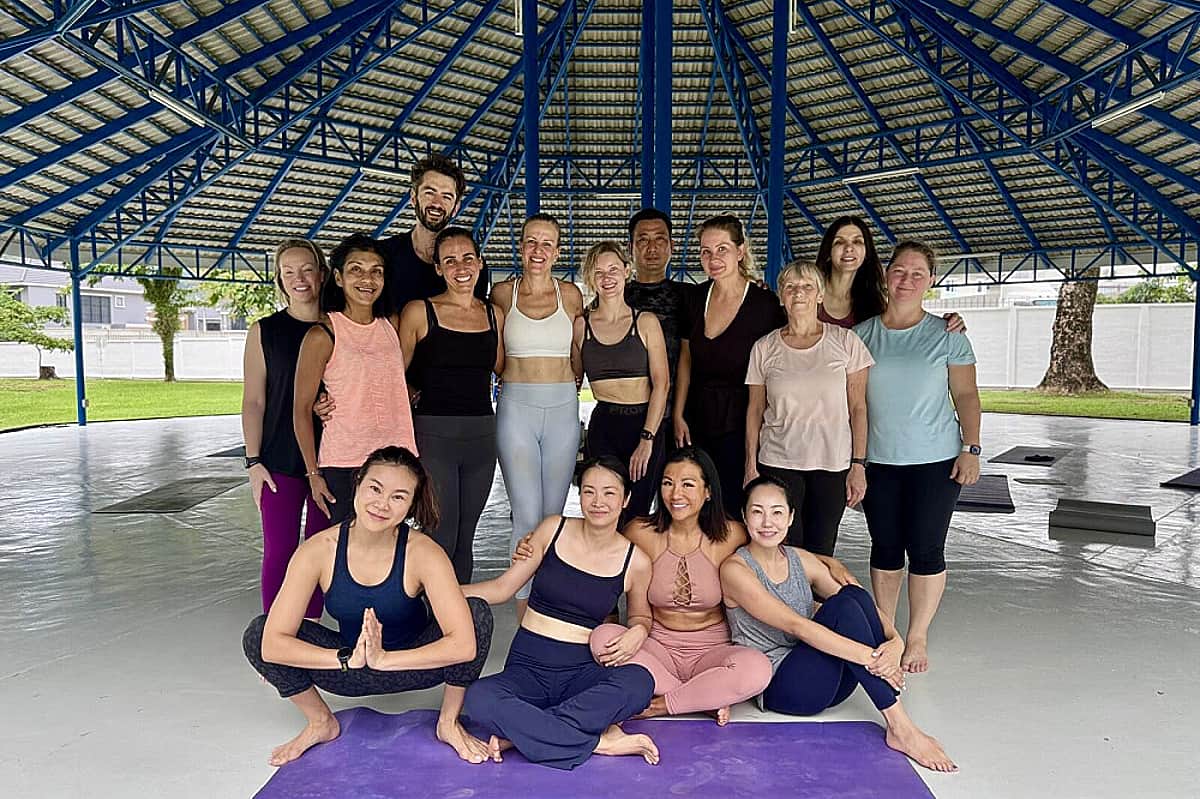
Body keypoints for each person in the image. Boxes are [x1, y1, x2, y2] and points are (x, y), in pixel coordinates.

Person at [515, 447, 856, 724]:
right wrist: (539, 544)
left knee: (757, 668)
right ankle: (702, 699)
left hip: (713, 649)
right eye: (667, 483)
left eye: (688, 484)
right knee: (603, 639)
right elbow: (596, 546)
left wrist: (828, 561)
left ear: (708, 492)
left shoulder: (730, 534)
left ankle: (667, 703)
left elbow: (773, 543)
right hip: (656, 646)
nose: (675, 494)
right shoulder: (640, 532)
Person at [241, 447, 495, 766]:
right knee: (258, 632)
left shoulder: (424, 553)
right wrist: (347, 658)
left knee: (476, 614)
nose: (382, 504)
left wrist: (387, 659)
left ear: (411, 506)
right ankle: (321, 722)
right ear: (358, 483)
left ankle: (448, 722)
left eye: (398, 496)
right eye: (375, 488)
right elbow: (272, 644)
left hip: (413, 666)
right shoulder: (318, 551)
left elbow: (463, 644)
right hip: (350, 667)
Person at [722, 475, 957, 773]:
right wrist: (873, 659)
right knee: (844, 604)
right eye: (757, 511)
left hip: (830, 683)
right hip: (784, 686)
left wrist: (895, 641)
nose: (767, 521)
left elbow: (857, 600)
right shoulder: (736, 570)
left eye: (777, 512)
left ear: (791, 517)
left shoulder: (799, 559)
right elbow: (797, 626)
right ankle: (900, 726)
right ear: (744, 516)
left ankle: (897, 720)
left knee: (852, 595)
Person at [462, 457, 659, 770]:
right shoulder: (553, 529)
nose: (598, 502)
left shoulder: (636, 562)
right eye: (589, 491)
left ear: (626, 500)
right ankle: (598, 741)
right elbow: (501, 588)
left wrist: (638, 631)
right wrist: (440, 591)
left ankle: (524, 735)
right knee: (479, 699)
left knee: (640, 682)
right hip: (527, 667)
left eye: (609, 493)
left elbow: (640, 617)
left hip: (582, 671)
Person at [853, 241, 982, 674]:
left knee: (926, 548)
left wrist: (972, 448)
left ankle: (918, 634)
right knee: (885, 546)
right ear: (886, 275)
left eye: (917, 273)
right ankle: (888, 628)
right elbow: (853, 402)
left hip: (936, 461)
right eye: (899, 271)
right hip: (880, 460)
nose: (906, 280)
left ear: (931, 281)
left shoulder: (947, 335)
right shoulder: (862, 335)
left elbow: (966, 394)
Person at [744, 259, 873, 556]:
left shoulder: (846, 342)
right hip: (779, 461)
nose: (798, 293)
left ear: (820, 295)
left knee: (822, 548)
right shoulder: (764, 347)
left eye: (806, 286)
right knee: (783, 546)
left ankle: (817, 604)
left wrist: (858, 465)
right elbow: (754, 411)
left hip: (832, 463)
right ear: (781, 296)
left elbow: (858, 408)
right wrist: (750, 465)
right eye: (790, 287)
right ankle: (784, 604)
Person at [491, 213, 585, 616]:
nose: (538, 251)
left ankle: (553, 598)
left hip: (563, 405)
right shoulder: (501, 294)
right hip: (516, 406)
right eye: (531, 242)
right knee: (525, 513)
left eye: (547, 244)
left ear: (558, 251)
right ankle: (525, 606)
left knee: (553, 513)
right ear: (521, 245)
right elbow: (492, 355)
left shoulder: (572, 295)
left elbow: (579, 355)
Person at [398, 227, 504, 583]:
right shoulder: (418, 312)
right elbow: (393, 374)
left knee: (465, 537)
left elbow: (504, 368)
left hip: (481, 436)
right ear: (438, 268)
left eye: (467, 258)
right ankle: (429, 617)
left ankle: (457, 622)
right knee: (439, 534)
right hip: (434, 435)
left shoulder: (494, 315)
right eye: (450, 260)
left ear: (480, 263)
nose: (461, 267)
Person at [293, 233, 417, 524]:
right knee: (349, 554)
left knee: (392, 553)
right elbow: (300, 409)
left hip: (396, 460)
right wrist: (313, 474)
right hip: (345, 463)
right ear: (338, 277)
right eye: (356, 270)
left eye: (377, 271)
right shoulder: (323, 334)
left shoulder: (391, 324)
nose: (367, 279)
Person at [674, 214, 785, 518]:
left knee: (736, 503)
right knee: (698, 501)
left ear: (741, 250)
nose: (713, 259)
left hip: (743, 417)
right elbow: (686, 360)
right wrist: (678, 413)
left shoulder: (765, 305)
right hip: (697, 415)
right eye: (705, 251)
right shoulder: (694, 299)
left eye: (722, 249)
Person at [241, 238, 329, 617]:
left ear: (322, 274)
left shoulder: (339, 327)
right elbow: (254, 401)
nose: (299, 278)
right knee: (280, 548)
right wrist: (253, 461)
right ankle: (273, 640)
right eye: (289, 271)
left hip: (331, 457)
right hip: (278, 458)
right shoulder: (265, 331)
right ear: (278, 279)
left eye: (307, 269)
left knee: (322, 549)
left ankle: (308, 627)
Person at [574, 240, 669, 521]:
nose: (607, 278)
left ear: (627, 271)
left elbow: (662, 384)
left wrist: (647, 438)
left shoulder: (646, 321)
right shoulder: (582, 325)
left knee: (636, 513)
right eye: (599, 272)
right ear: (591, 277)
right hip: (604, 424)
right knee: (604, 510)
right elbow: (573, 382)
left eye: (613, 269)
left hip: (643, 423)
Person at [624, 208, 698, 449]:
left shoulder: (692, 297)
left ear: (672, 246)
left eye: (659, 239)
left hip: (679, 420)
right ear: (630, 248)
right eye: (643, 240)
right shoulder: (616, 298)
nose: (651, 248)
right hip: (627, 416)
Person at [815, 215, 965, 333]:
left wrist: (950, 323)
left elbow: (905, 324)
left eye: (857, 242)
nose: (849, 248)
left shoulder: (874, 305)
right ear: (828, 251)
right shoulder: (808, 292)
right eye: (839, 242)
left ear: (866, 252)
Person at [379, 154, 489, 311]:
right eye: (429, 193)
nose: (437, 203)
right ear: (414, 197)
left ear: (456, 207)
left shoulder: (471, 268)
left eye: (447, 196)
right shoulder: (384, 254)